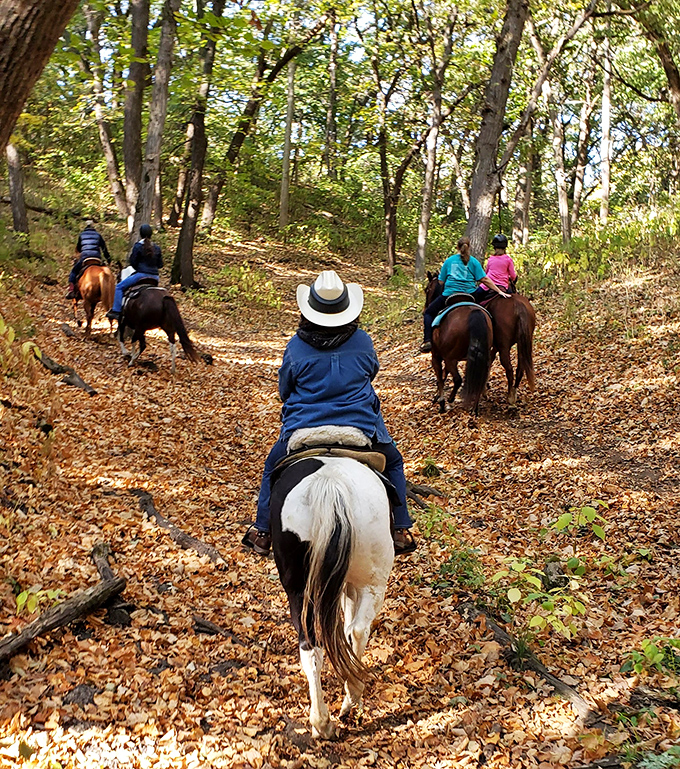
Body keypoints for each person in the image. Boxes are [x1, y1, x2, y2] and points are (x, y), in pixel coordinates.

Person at [242, 270, 416, 557]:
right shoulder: (362, 341)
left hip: (305, 427)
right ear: (347, 310)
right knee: (394, 461)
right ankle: (401, 528)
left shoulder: (296, 346)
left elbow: (285, 388)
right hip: (359, 427)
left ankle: (262, 531)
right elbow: (371, 371)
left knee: (272, 467)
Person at [420, 235, 510, 353]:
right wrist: (499, 291)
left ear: (457, 247)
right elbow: (485, 279)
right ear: (469, 247)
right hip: (470, 295)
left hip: (450, 295)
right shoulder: (473, 262)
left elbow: (441, 281)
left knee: (429, 313)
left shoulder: (449, 261)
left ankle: (427, 340)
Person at [106, 224, 163, 321]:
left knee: (119, 287)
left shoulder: (138, 246)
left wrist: (139, 268)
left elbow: (133, 262)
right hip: (155, 278)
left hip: (141, 275)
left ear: (140, 234)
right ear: (151, 234)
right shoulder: (157, 248)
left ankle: (116, 311)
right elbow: (160, 264)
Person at [66, 220, 111, 300]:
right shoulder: (98, 235)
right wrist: (108, 259)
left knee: (73, 272)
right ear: (93, 226)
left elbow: (79, 248)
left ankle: (71, 290)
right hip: (97, 258)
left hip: (85, 258)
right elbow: (104, 248)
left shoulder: (82, 235)